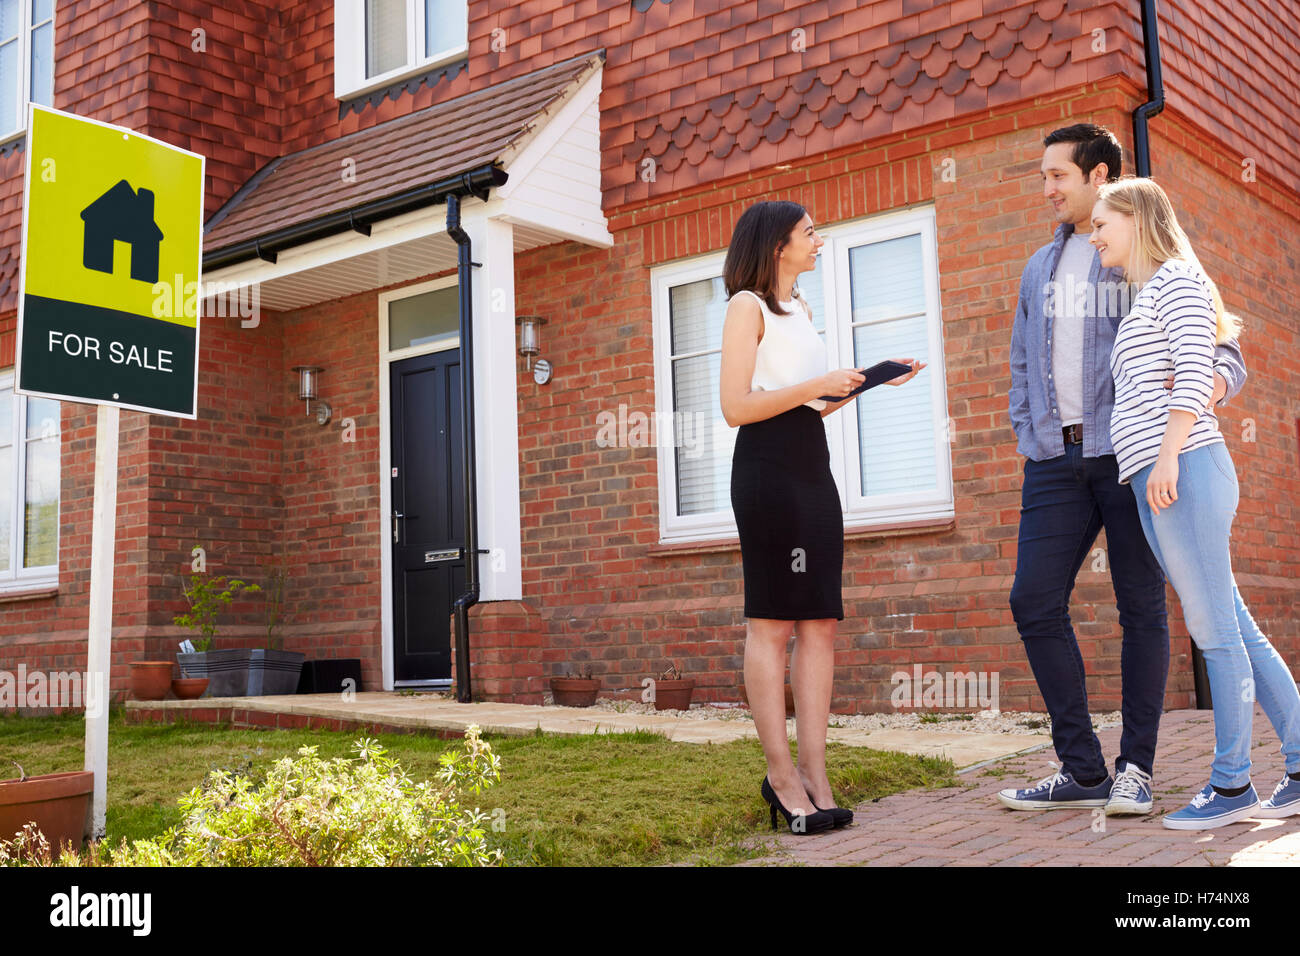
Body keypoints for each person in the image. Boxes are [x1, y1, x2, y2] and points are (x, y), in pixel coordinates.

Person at [998, 124, 1248, 815]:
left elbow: (1221, 349)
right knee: (1032, 599)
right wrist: (1030, 430)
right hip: (1053, 460)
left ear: (1099, 175)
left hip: (1132, 459)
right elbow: (1022, 361)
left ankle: (1135, 768)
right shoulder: (1036, 270)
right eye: (1043, 176)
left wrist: (1203, 392)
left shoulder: (1145, 256)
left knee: (1140, 606)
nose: (1047, 189)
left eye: (1058, 176)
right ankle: (1082, 771)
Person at [1092, 176, 1300, 828]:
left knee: (1214, 636)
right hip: (1166, 477)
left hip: (1183, 473)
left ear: (1136, 218)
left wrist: (1166, 454)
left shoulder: (1176, 280)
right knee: (1234, 627)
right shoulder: (1148, 293)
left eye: (1104, 222)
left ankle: (1233, 786)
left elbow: (1194, 365)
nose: (1094, 233)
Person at [718, 200, 924, 834]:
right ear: (779, 244)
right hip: (767, 474)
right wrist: (814, 386)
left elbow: (808, 408)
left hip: (812, 470)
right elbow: (735, 406)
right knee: (772, 623)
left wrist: (863, 384)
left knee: (820, 624)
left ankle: (815, 774)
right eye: (810, 232)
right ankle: (780, 777)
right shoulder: (744, 307)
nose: (820, 240)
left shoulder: (800, 312)